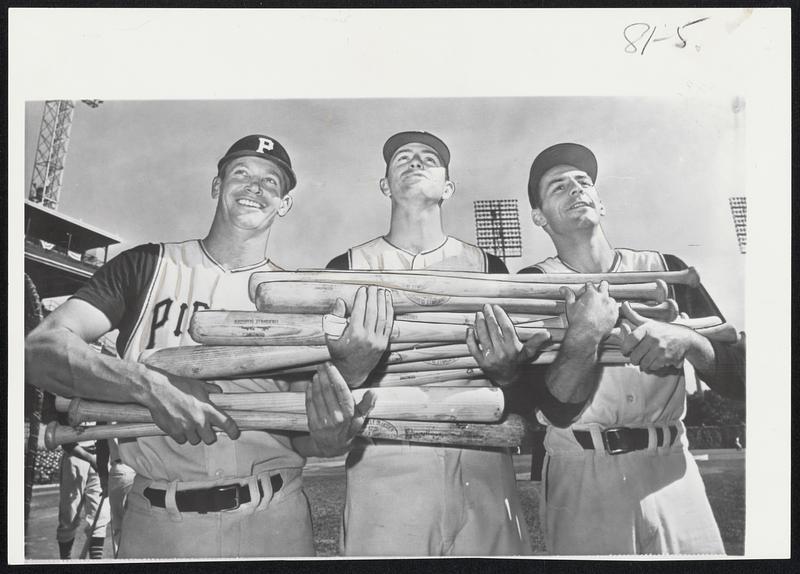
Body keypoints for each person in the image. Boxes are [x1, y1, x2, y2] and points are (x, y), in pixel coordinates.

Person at [25, 134, 372, 558]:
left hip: (272, 523)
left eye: (271, 182)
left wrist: (329, 439)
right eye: (240, 173)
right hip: (159, 528)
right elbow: (39, 348)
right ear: (216, 186)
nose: (254, 187)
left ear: (284, 204)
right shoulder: (149, 266)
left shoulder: (296, 300)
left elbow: (298, 437)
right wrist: (149, 386)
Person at [476, 142, 744, 555]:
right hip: (582, 472)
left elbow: (742, 379)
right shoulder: (530, 288)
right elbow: (547, 409)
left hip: (674, 466)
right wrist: (585, 336)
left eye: (584, 182)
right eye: (557, 187)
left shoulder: (665, 270)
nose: (576, 189)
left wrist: (689, 341)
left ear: (601, 204)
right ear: (538, 216)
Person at [325, 131, 541, 557]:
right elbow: (320, 381)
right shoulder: (345, 268)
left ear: (448, 188)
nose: (415, 161)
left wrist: (509, 373)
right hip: (385, 460)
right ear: (385, 185)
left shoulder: (488, 267)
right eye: (402, 157)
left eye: (429, 158)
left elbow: (524, 388)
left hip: (480, 458)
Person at [55, 421, 110, 560]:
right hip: (75, 456)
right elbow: (65, 440)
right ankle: (65, 561)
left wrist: (102, 463)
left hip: (100, 456)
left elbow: (104, 432)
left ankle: (96, 563)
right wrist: (91, 459)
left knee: (100, 514)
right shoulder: (65, 400)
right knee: (69, 515)